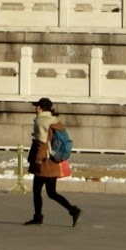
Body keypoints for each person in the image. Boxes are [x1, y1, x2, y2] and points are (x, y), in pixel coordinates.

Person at [25, 97, 81, 227]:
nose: (35, 108)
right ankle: (73, 210)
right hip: (54, 161)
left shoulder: (41, 122)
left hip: (44, 162)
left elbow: (42, 144)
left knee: (37, 190)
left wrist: (37, 161)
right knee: (51, 192)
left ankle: (38, 217)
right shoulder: (55, 121)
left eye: (37, 106)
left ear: (41, 108)